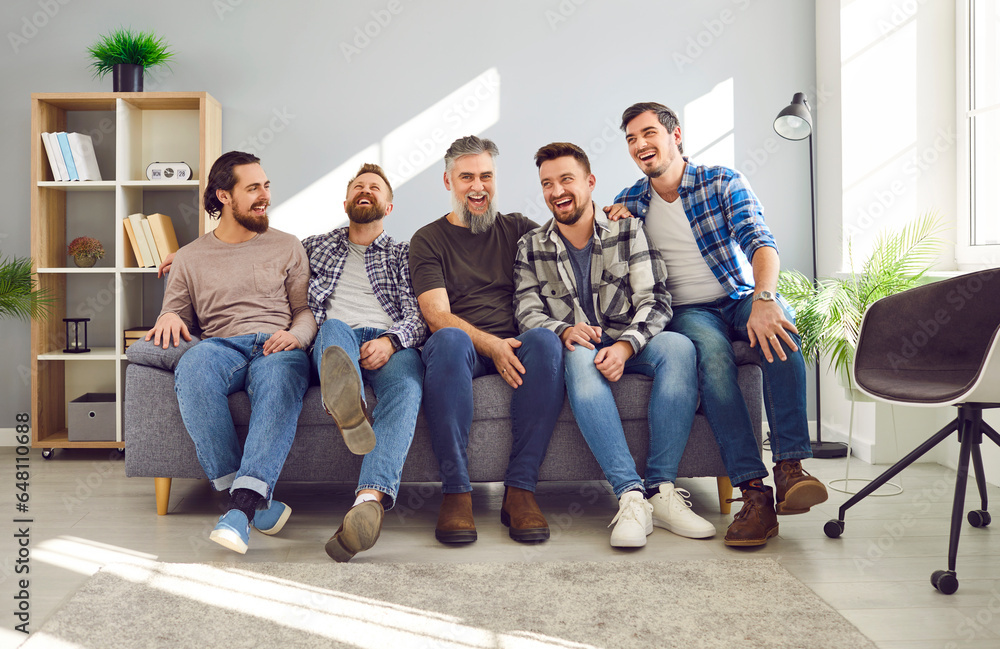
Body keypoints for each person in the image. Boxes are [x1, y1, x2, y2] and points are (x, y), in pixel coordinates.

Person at [613, 102, 828, 547]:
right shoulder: (631, 201)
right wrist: (611, 221)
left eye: (648, 133)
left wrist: (765, 299)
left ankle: (790, 466)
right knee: (711, 359)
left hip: (739, 295)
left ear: (676, 136)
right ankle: (755, 494)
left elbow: (760, 243)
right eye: (631, 139)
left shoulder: (721, 181)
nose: (640, 145)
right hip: (688, 310)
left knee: (781, 327)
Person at [514, 142, 715, 548]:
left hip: (631, 339)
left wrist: (625, 347)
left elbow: (655, 301)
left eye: (566, 179)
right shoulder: (530, 246)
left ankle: (661, 491)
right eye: (547, 184)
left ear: (590, 182)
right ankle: (630, 495)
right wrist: (562, 330)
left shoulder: (628, 229)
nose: (557, 191)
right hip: (581, 344)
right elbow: (526, 312)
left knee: (679, 348)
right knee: (577, 359)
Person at [146, 151, 316, 554]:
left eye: (267, 186)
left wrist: (299, 337)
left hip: (277, 345)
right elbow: (176, 309)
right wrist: (169, 315)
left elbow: (305, 310)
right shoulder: (190, 257)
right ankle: (255, 501)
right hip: (221, 345)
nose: (265, 197)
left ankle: (239, 510)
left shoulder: (288, 247)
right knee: (193, 368)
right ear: (224, 195)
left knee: (279, 382)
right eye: (253, 188)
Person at [408, 135, 566, 544]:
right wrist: (491, 345)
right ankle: (457, 494)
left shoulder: (518, 228)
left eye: (486, 176)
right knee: (446, 339)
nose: (478, 187)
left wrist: (615, 210)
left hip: (515, 343)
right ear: (448, 182)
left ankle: (520, 491)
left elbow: (574, 235)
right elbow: (436, 314)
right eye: (466, 178)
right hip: (461, 348)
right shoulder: (428, 239)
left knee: (547, 342)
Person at [302, 163, 427, 562]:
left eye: (375, 187)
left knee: (407, 387)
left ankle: (367, 500)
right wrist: (184, 259)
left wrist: (391, 341)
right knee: (334, 327)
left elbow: (418, 315)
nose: (366, 190)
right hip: (334, 338)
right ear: (346, 202)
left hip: (386, 342)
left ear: (388, 207)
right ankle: (347, 399)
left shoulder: (404, 254)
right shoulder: (313, 246)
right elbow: (260, 256)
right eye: (359, 186)